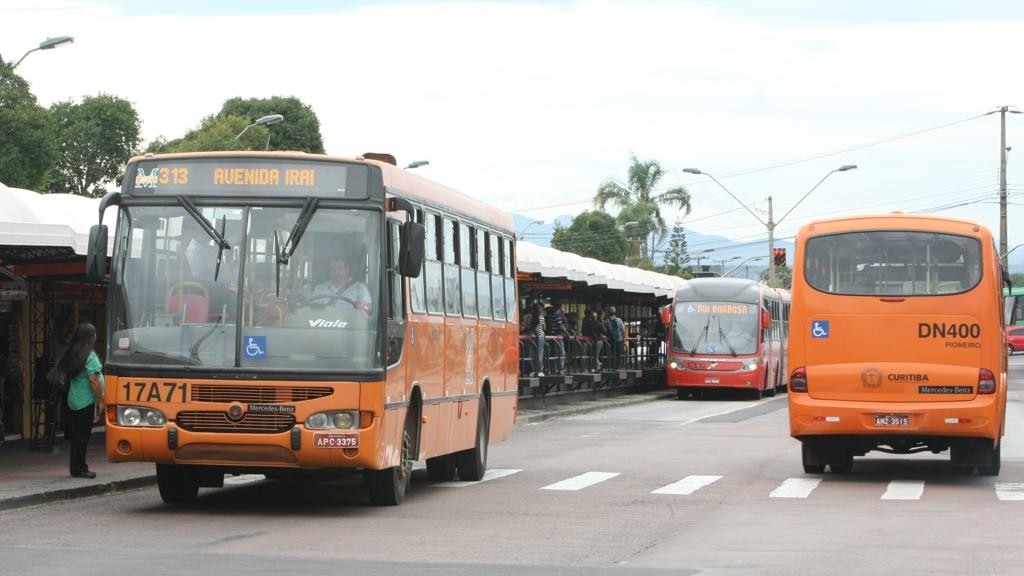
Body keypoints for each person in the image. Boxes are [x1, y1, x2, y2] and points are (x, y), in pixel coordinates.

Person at [59, 322, 104, 479]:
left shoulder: (74, 352)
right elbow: (93, 380)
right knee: (83, 435)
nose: (96, 336)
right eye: (94, 334)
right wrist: (101, 400)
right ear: (91, 337)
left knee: (78, 435)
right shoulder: (89, 356)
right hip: (85, 401)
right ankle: (80, 468)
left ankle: (76, 466)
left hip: (74, 399)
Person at [545, 300, 569, 374]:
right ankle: (559, 369)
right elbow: (560, 326)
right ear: (559, 306)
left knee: (554, 353)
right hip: (557, 336)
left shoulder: (550, 315)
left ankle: (554, 369)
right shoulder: (556, 315)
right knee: (561, 353)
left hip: (552, 336)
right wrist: (567, 333)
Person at [530, 302, 546, 377]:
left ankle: (534, 370)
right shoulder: (541, 317)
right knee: (540, 353)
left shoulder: (533, 317)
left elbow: (534, 328)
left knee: (534, 353)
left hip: (535, 337)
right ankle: (540, 370)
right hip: (541, 336)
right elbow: (544, 328)